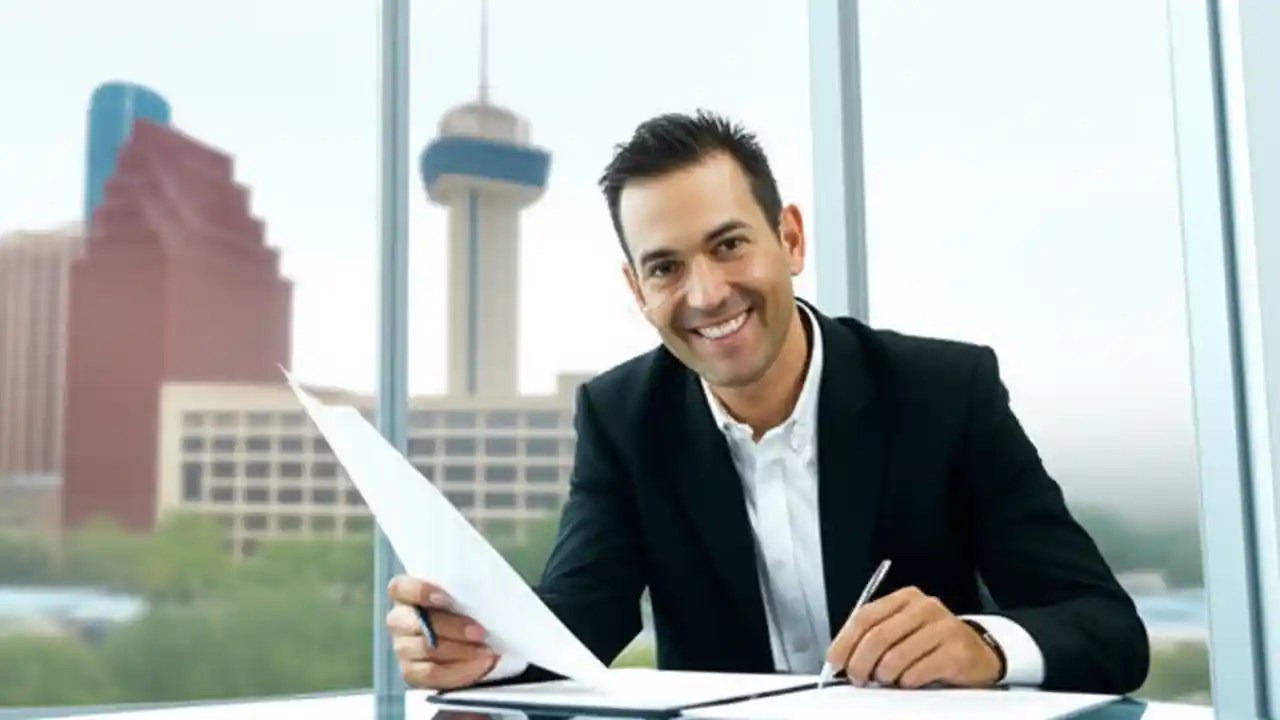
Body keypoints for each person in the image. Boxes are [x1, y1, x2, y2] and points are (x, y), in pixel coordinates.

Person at [386, 110, 1150, 695]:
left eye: (728, 245)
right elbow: (579, 618)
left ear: (789, 238)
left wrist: (983, 648)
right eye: (665, 267)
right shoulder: (623, 419)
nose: (707, 294)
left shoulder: (945, 392)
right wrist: (476, 646)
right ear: (636, 291)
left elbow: (1109, 629)